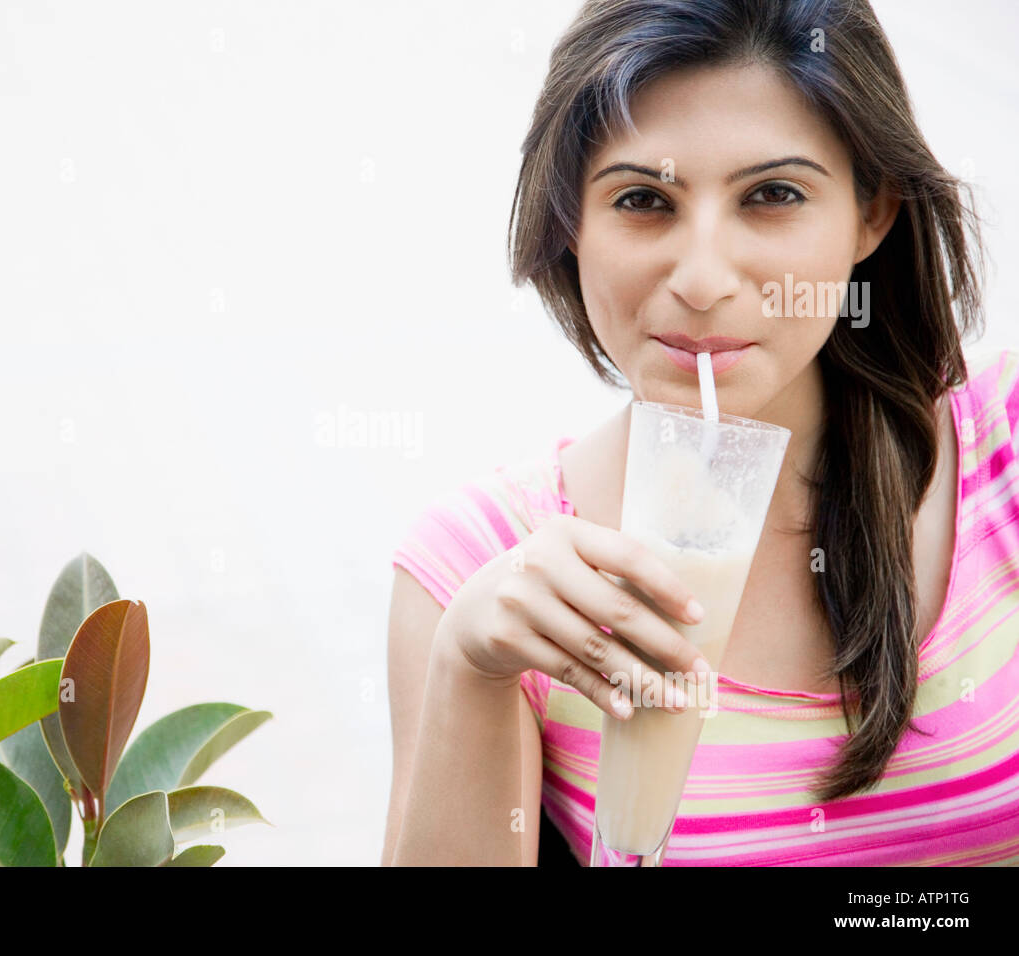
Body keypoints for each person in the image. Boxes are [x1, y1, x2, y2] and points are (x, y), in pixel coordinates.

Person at [382, 0, 1018, 866]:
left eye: (773, 196)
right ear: (572, 222)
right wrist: (470, 668)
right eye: (643, 200)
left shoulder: (1002, 446)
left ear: (874, 213)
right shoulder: (482, 568)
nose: (704, 279)